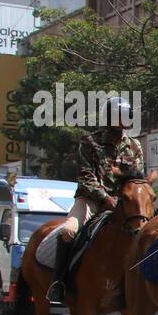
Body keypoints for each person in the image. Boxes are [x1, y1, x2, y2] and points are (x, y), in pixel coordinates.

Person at [47, 97, 144, 303]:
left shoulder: (134, 146)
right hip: (91, 200)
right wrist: (105, 197)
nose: (123, 122)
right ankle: (59, 283)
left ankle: (141, 286)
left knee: (143, 234)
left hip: (123, 202)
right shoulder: (89, 142)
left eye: (126, 117)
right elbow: (86, 177)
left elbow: (136, 177)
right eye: (118, 117)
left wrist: (127, 197)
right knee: (68, 231)